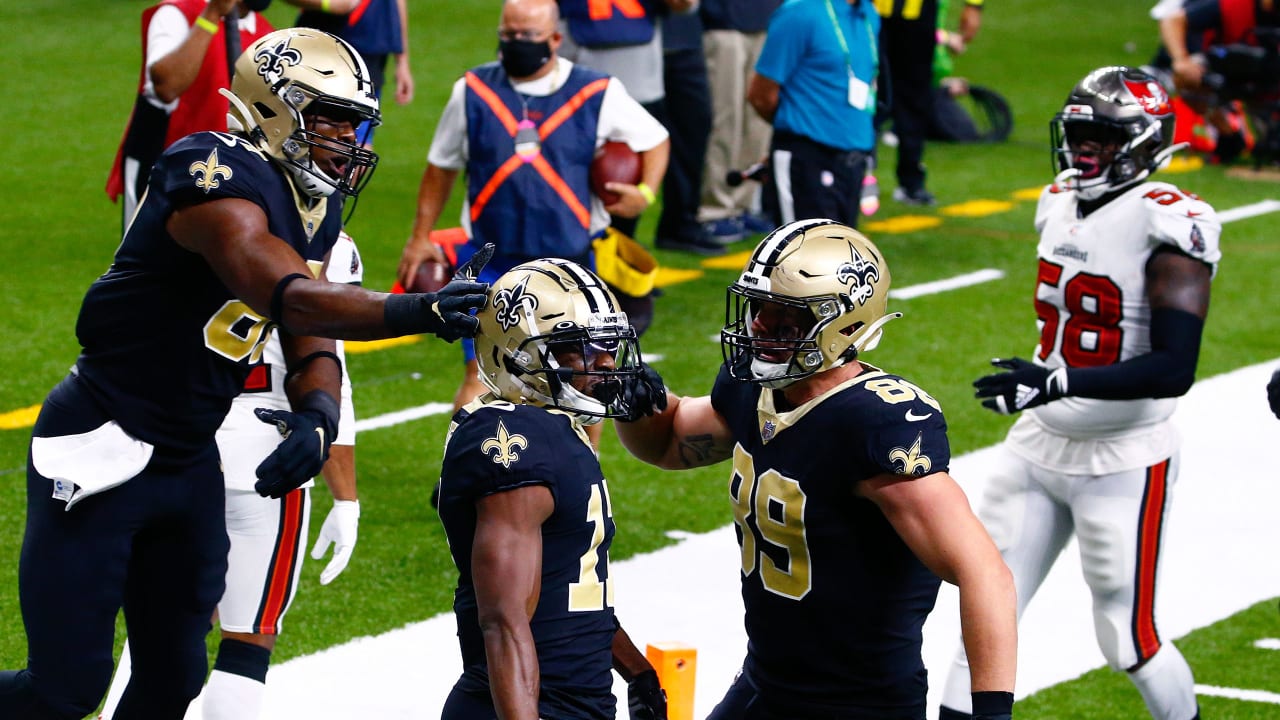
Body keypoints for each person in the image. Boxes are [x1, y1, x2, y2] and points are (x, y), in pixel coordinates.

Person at [0, 28, 489, 720]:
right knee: (65, 690)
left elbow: (308, 338)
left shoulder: (312, 203)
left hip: (188, 455)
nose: (346, 138)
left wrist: (318, 415)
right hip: (105, 440)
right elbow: (286, 294)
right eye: (330, 117)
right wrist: (420, 309)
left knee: (174, 678)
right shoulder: (210, 174)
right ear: (273, 107)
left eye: (354, 122)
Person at [614, 219, 1018, 720]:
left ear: (844, 325)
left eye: (786, 317)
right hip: (766, 681)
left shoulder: (873, 422)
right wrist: (636, 404)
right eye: (758, 308)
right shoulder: (755, 388)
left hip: (857, 704)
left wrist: (992, 714)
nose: (761, 327)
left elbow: (985, 573)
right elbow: (670, 444)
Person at [937, 66, 1220, 720]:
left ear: (1144, 143)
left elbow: (1174, 368)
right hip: (1039, 443)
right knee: (985, 612)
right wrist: (1043, 386)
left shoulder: (1168, 221)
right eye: (1079, 133)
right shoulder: (1058, 201)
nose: (1085, 149)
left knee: (1126, 637)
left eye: (1104, 138)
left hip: (1124, 454)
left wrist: (1056, 382)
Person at [97, 231, 368, 720]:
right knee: (247, 645)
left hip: (177, 444)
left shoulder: (198, 217)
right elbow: (331, 380)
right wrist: (345, 498)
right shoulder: (325, 241)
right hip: (267, 453)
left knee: (159, 633)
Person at [397, 0, 669, 422]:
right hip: (493, 264)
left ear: (555, 39)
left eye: (528, 35)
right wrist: (419, 236)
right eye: (509, 34)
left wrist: (645, 194)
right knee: (480, 374)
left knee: (588, 377)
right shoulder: (472, 90)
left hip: (571, 266)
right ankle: (464, 460)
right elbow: (440, 167)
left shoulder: (598, 91)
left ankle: (585, 463)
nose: (517, 42)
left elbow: (655, 139)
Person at [436, 257, 668, 719]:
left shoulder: (554, 427)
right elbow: (504, 622)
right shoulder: (512, 440)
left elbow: (571, 590)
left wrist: (637, 671)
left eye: (607, 346)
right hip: (530, 706)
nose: (606, 363)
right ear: (519, 355)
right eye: (581, 349)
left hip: (573, 701)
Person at [106, 0, 275, 231]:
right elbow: (167, 86)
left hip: (230, 172)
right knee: (149, 251)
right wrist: (212, 15)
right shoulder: (177, 14)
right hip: (163, 167)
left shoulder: (266, 34)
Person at [747, 0, 880, 230]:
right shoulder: (800, 13)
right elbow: (761, 95)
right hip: (807, 158)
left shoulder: (868, 14)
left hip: (854, 158)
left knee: (841, 249)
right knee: (804, 249)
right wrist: (796, 129)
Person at [873, 0, 984, 206]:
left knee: (916, 97)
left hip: (917, 15)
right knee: (868, 92)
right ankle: (861, 174)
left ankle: (911, 182)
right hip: (870, 10)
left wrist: (974, 5)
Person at [697, 0, 782, 244]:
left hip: (768, 19)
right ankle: (715, 209)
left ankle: (742, 204)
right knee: (726, 120)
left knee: (759, 122)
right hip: (723, 22)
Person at [283, 0, 415, 147]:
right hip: (326, 50)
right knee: (316, 143)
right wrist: (328, 3)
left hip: (370, 53)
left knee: (358, 147)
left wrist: (402, 60)